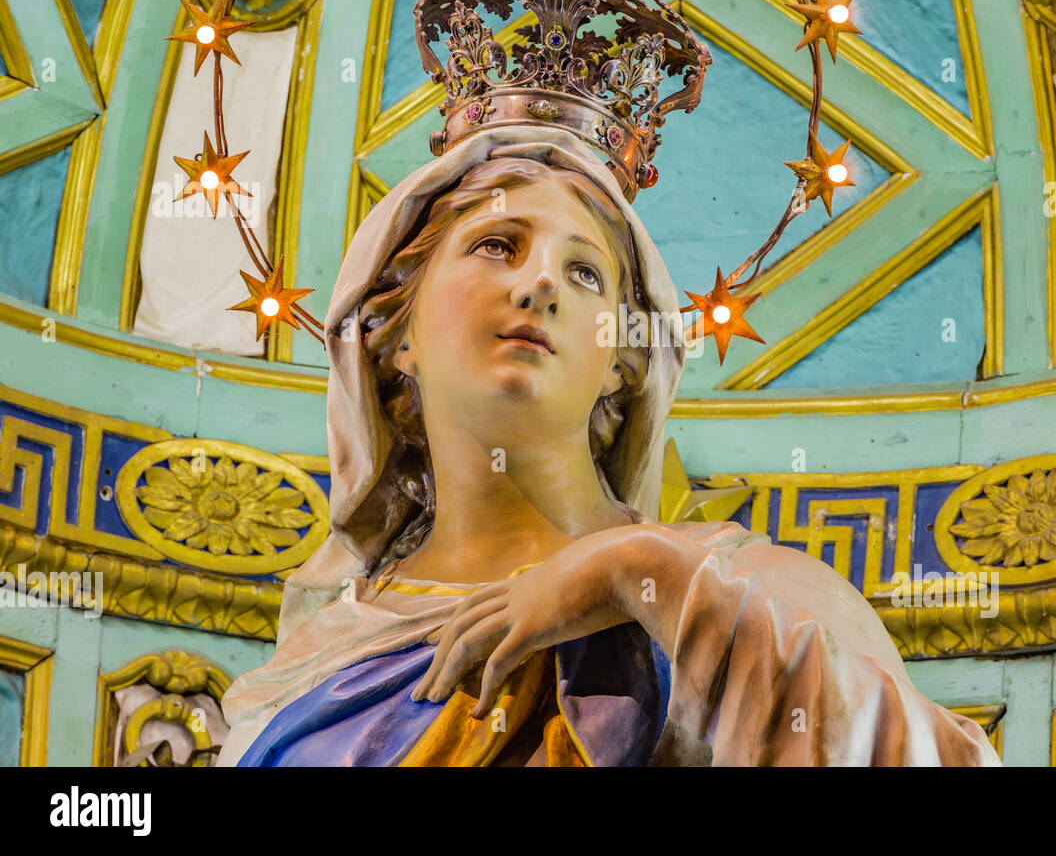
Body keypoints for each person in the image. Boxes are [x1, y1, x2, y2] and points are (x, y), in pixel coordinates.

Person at [217, 126, 1001, 766]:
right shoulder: (319, 652)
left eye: (585, 272)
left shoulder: (745, 591)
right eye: (497, 245)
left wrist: (640, 573)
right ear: (396, 334)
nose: (541, 285)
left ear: (622, 360)